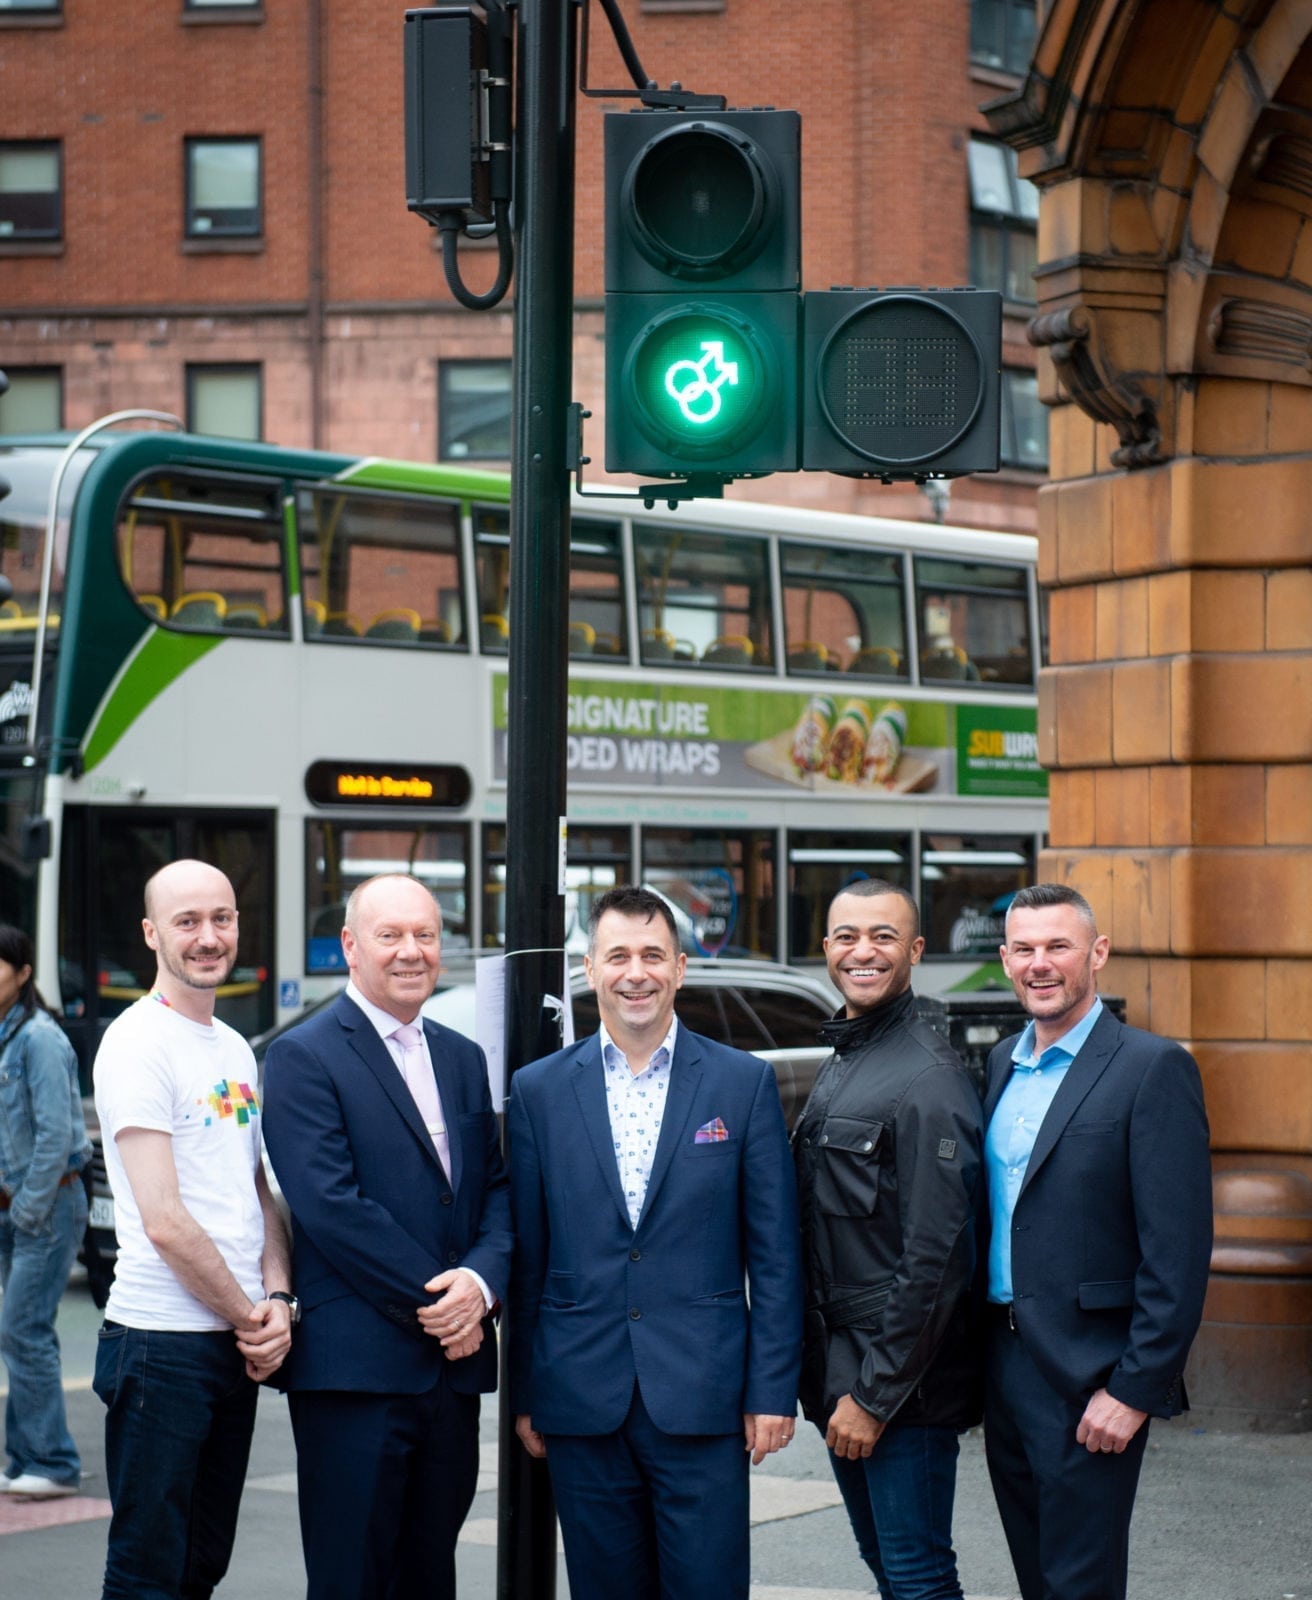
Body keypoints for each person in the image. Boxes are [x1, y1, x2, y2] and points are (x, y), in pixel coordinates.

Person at [508, 884, 802, 1600]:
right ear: (589, 969)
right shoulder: (538, 1091)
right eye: (618, 956)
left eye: (651, 955)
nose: (634, 972)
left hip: (704, 1398)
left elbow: (777, 1256)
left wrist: (772, 1392)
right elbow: (529, 1258)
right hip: (582, 1399)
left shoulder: (742, 1084)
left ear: (680, 968)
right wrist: (527, 1392)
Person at [261, 873, 512, 1600]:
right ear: (350, 946)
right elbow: (331, 1207)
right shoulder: (303, 1056)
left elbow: (494, 1190)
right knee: (353, 1581)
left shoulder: (463, 1059)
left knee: (430, 1575)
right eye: (391, 935)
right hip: (355, 1376)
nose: (411, 952)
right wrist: (446, 1306)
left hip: (449, 1380)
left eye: (426, 936)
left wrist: (480, 1285)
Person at [983, 882, 1213, 1600]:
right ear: (1005, 959)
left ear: (1097, 954)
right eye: (1024, 949)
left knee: (1080, 1585)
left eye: (1058, 946)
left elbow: (1176, 1251)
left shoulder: (1151, 1068)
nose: (1040, 963)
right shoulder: (1000, 1063)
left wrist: (1134, 1390)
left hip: (1090, 1375)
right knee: (1034, 1574)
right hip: (1002, 1357)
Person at [92, 860, 293, 1600]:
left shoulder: (234, 1049)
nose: (209, 937)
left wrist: (278, 1296)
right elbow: (165, 1221)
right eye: (187, 921)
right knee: (149, 1572)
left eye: (223, 918)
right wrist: (251, 1318)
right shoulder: (137, 1042)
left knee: (201, 1564)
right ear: (152, 934)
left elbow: (254, 1190)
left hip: (226, 1343)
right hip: (160, 1345)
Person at [793, 880, 983, 1600]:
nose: (861, 951)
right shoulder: (852, 1054)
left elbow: (937, 1258)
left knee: (918, 1577)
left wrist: (874, 1397)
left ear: (915, 951)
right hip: (847, 1376)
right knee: (889, 1570)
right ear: (827, 948)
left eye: (882, 936)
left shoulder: (929, 1076)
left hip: (902, 1391)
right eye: (846, 936)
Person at [0, 923, 92, 1500]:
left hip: (47, 1205)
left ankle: (54, 1462)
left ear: (23, 973)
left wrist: (29, 1210)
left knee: (22, 1329)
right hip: (17, 1207)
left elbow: (58, 1131)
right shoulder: (6, 1037)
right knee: (20, 1332)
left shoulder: (39, 1038)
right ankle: (24, 1456)